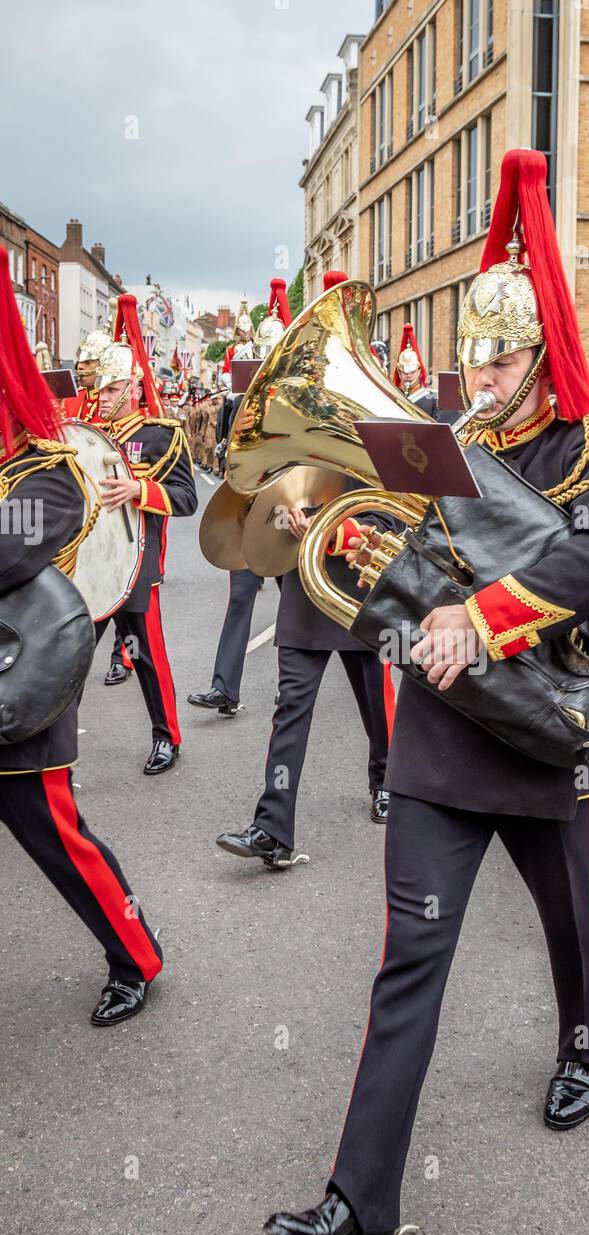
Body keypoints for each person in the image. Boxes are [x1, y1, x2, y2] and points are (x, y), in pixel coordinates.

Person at [264, 148, 589, 1235]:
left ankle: (580, 1046)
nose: (482, 382)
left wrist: (486, 615)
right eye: (474, 363)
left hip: (543, 733)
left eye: (501, 362)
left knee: (569, 928)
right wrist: (311, 519)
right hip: (440, 742)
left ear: (540, 355)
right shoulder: (441, 442)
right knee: (409, 968)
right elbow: (379, 542)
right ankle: (361, 1201)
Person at [0, 249, 162, 1025]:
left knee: (57, 841)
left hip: (22, 687)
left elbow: (9, 549)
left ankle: (134, 953)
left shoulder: (52, 472)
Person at [213, 273, 394, 863]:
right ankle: (274, 827)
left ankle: (385, 780)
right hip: (305, 590)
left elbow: (397, 518)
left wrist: (331, 525)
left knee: (377, 708)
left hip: (359, 589)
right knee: (290, 708)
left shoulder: (378, 433)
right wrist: (283, 519)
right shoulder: (291, 433)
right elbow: (255, 502)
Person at [88, 294, 199, 774]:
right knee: (68, 660)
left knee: (148, 657)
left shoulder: (161, 434)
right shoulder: (86, 431)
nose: (102, 398)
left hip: (135, 564)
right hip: (89, 565)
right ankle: (49, 752)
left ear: (132, 388)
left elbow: (187, 499)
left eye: (111, 390)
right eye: (101, 390)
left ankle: (166, 737)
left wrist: (139, 488)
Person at [189, 279, 294, 717]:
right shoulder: (236, 401)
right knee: (239, 599)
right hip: (250, 508)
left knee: (295, 605)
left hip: (289, 510)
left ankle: (292, 688)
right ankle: (224, 688)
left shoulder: (296, 399)